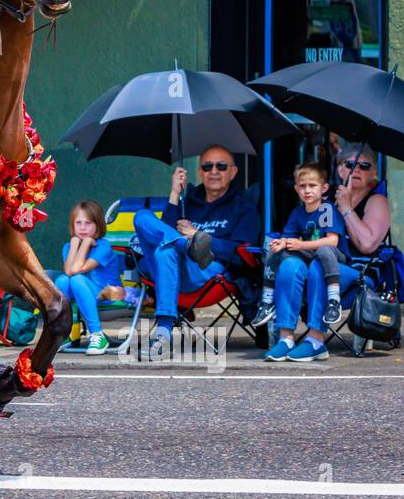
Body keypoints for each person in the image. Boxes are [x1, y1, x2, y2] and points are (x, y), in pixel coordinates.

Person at [131, 145, 260, 354]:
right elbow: (161, 233)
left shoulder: (243, 208)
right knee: (142, 217)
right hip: (170, 268)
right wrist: (175, 193)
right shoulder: (188, 202)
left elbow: (241, 253)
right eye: (207, 166)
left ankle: (162, 332)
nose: (214, 171)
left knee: (166, 252)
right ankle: (186, 246)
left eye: (221, 166)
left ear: (233, 172)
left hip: (207, 272)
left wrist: (200, 236)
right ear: (200, 172)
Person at [260, 163, 349, 362]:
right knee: (288, 264)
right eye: (302, 186)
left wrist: (301, 244)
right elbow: (290, 237)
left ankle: (316, 341)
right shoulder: (297, 213)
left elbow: (332, 241)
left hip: (334, 262)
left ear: (324, 188)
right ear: (296, 189)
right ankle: (285, 338)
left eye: (312, 185)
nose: (307, 190)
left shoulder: (326, 209)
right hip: (311, 258)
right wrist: (281, 243)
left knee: (320, 258)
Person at [53, 201, 122, 355]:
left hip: (109, 294)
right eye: (78, 223)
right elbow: (69, 271)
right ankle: (67, 333)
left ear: (98, 226)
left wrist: (83, 245)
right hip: (84, 293)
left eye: (88, 223)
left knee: (76, 279)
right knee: (62, 281)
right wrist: (74, 244)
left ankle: (97, 334)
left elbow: (77, 270)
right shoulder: (68, 246)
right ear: (72, 225)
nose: (82, 228)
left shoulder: (103, 246)